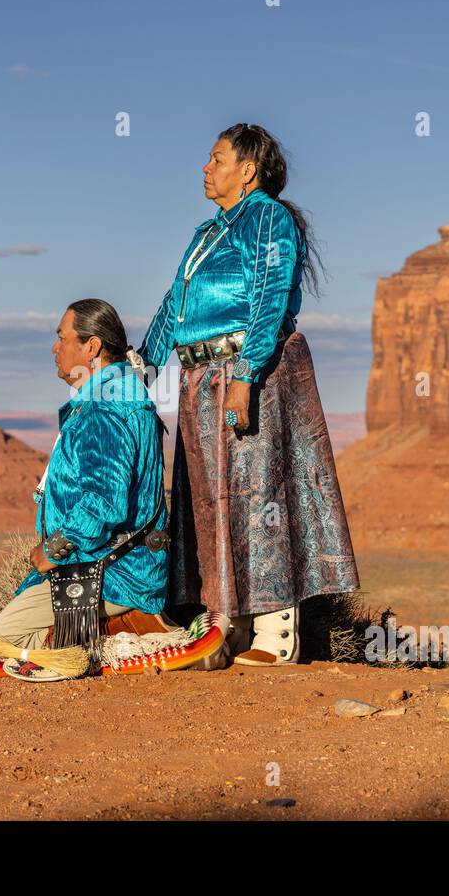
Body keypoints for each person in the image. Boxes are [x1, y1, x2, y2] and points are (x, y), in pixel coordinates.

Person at [139, 123, 360, 666]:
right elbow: (175, 305)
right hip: (199, 380)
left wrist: (246, 374)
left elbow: (270, 296)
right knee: (212, 501)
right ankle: (230, 625)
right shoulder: (206, 232)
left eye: (216, 159)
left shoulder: (268, 218)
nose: (205, 168)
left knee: (258, 497)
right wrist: (141, 367)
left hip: (246, 375)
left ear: (248, 170)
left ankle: (277, 636)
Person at [0, 299, 176, 653]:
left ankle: (123, 635)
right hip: (118, 563)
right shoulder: (120, 395)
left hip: (114, 574)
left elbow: (104, 502)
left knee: (5, 637)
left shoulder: (102, 409)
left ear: (91, 347)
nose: (54, 348)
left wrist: (53, 549)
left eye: (62, 338)